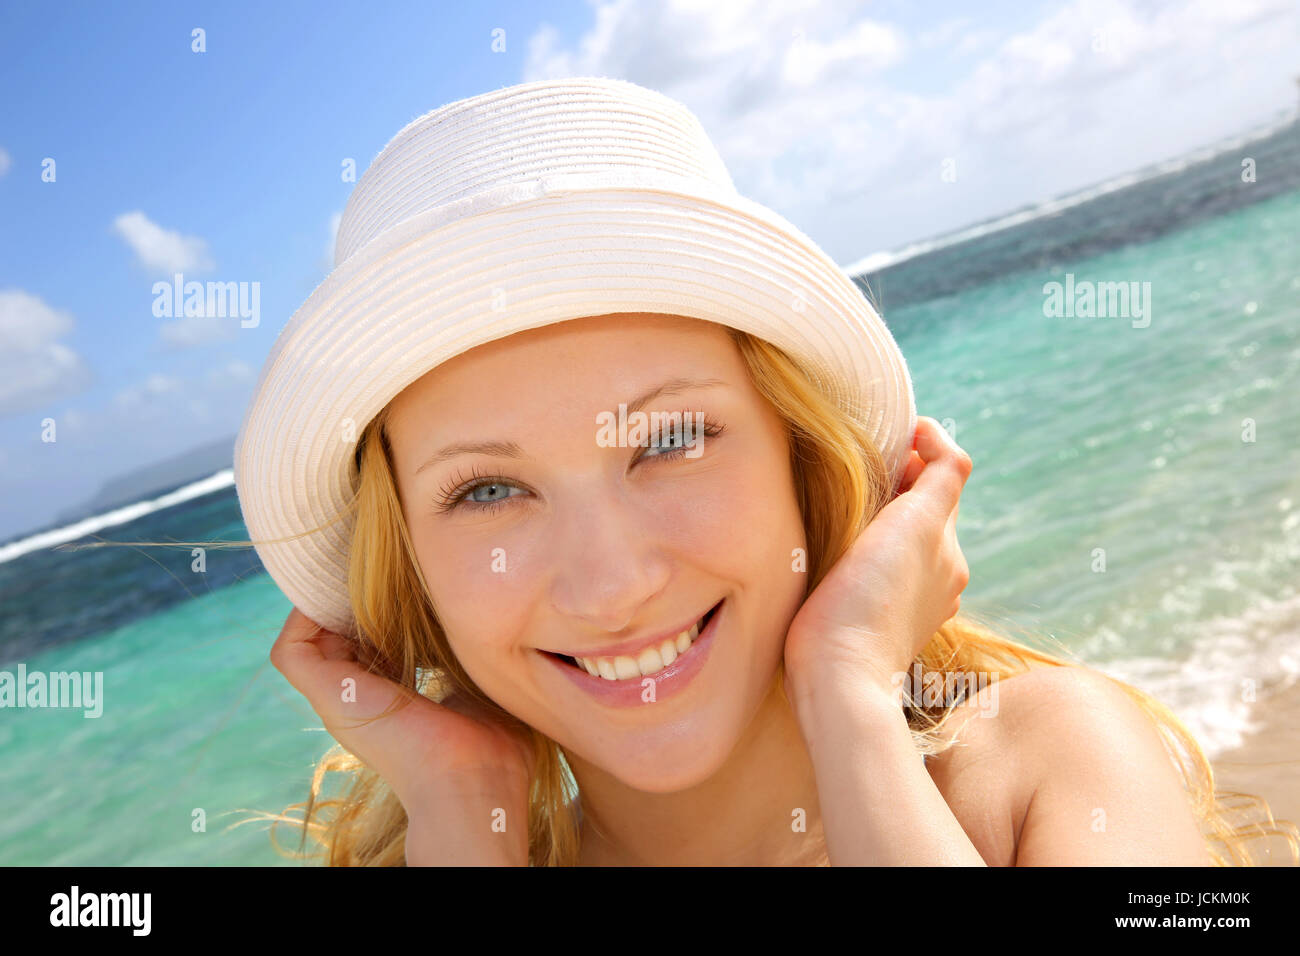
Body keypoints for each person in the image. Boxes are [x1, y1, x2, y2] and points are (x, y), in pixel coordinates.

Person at [233, 78, 1294, 865]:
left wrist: (850, 695)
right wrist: (465, 810)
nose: (610, 584)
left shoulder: (1047, 763)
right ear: (410, 564)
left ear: (801, 456)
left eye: (668, 440)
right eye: (486, 490)